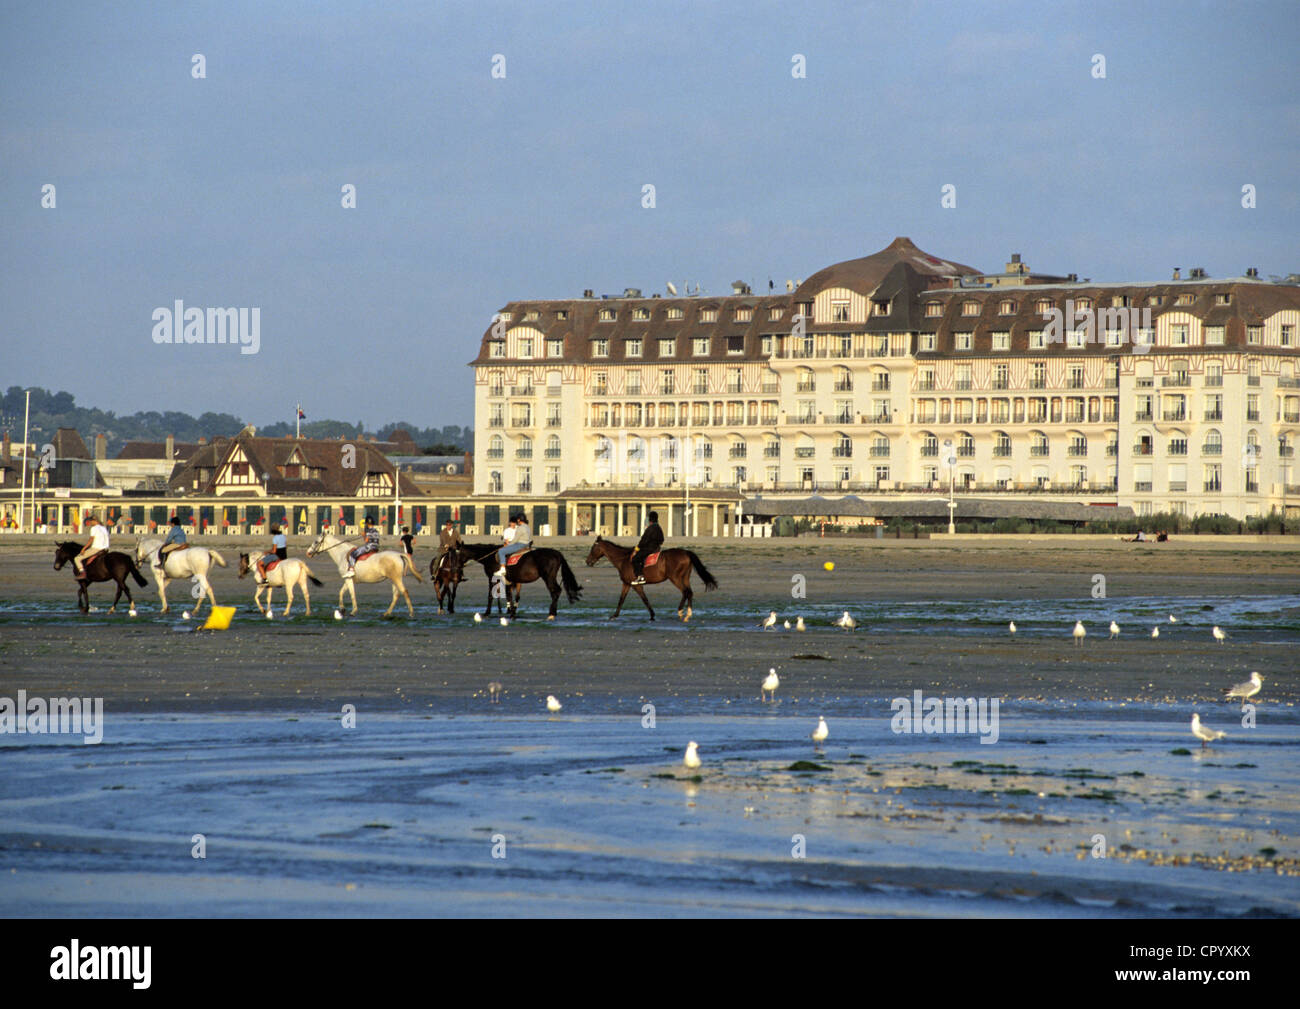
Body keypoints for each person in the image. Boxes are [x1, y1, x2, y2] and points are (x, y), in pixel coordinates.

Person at [629, 510, 664, 585]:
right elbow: (662, 539)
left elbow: (643, 541)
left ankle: (640, 576)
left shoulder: (650, 528)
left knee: (635, 559)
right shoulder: (659, 528)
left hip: (649, 549)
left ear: (650, 520)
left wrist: (636, 549)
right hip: (657, 548)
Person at [495, 513, 531, 579]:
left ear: (519, 520)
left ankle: (502, 569)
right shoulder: (527, 527)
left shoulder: (520, 528)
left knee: (501, 551)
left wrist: (507, 545)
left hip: (520, 545)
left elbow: (515, 540)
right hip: (527, 544)